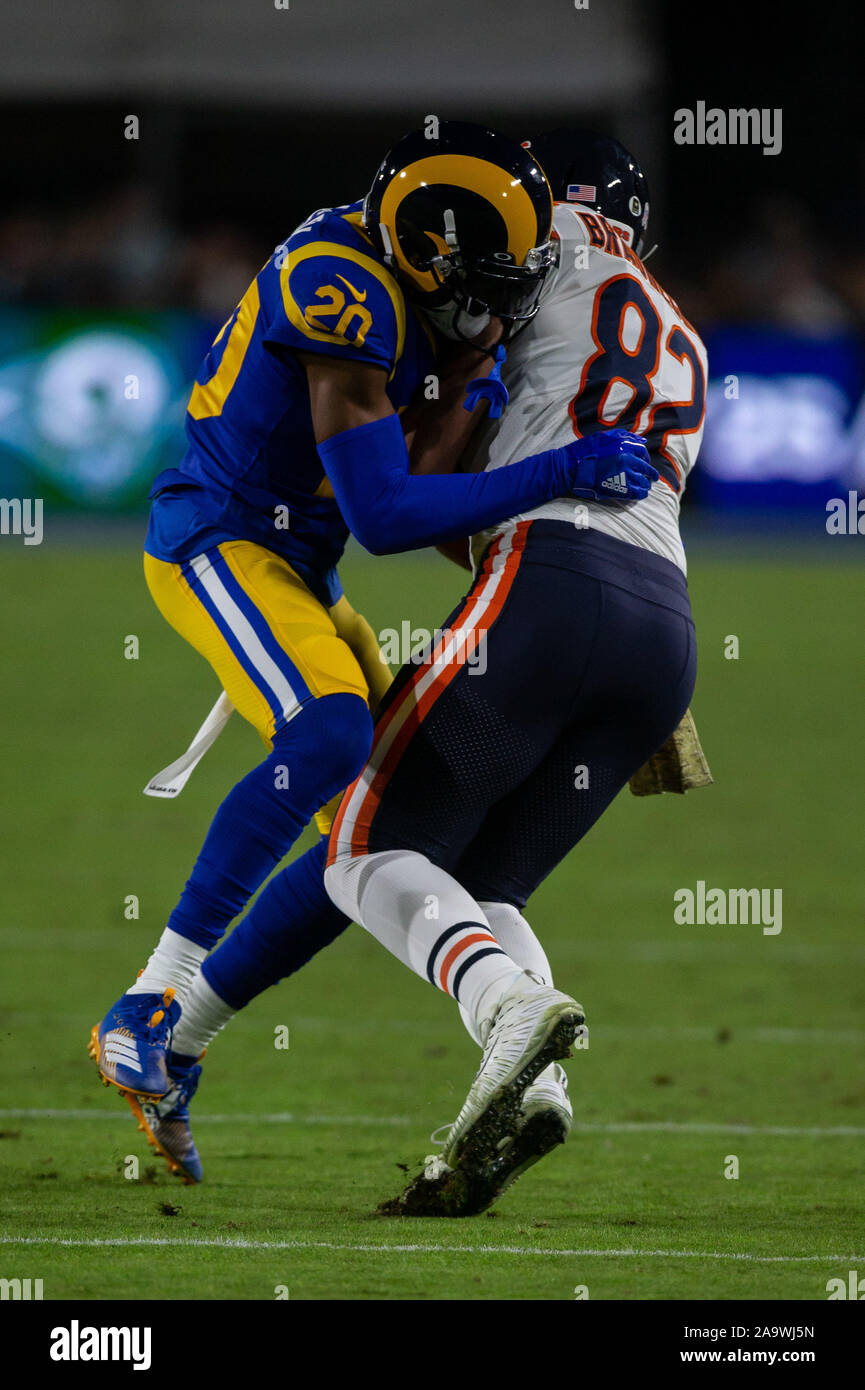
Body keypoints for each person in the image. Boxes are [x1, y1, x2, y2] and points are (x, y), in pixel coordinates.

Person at [90, 121, 655, 1184]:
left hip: (301, 563)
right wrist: (564, 468)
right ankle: (153, 996)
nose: (501, 301)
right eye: (488, 280)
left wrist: (565, 600)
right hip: (222, 536)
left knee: (391, 823)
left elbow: (435, 501)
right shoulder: (338, 281)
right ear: (430, 249)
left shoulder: (424, 293)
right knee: (334, 731)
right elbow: (389, 512)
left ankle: (185, 1044)